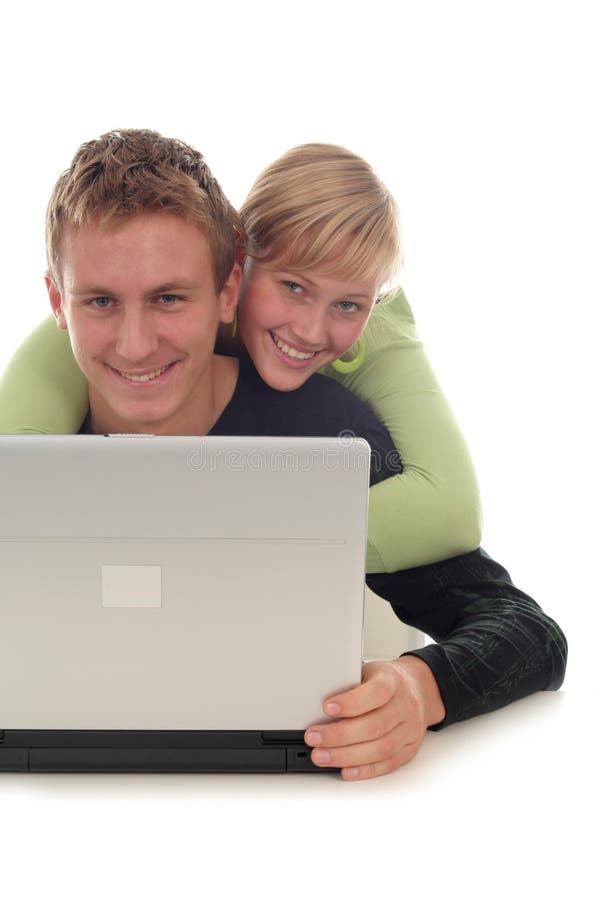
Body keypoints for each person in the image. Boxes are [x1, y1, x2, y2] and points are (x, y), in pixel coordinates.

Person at [2, 129, 567, 780]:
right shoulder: (27, 451)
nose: (135, 346)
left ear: (228, 291)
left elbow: (529, 632)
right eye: (100, 300)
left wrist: (420, 687)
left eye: (169, 298)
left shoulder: (331, 438)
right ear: (58, 303)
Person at [0, 145, 481, 573]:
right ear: (239, 262)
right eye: (292, 287)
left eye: (349, 305)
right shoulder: (114, 303)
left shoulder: (369, 353)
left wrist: (233, 541)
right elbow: (13, 473)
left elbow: (453, 511)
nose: (309, 330)